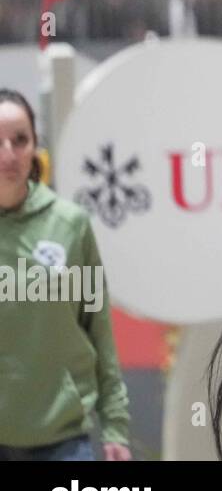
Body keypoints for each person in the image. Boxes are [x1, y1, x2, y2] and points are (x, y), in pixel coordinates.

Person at [0, 89, 131, 461]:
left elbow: (99, 330)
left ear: (35, 147)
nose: (8, 154)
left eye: (19, 140)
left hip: (64, 442)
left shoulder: (71, 225)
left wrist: (116, 426)